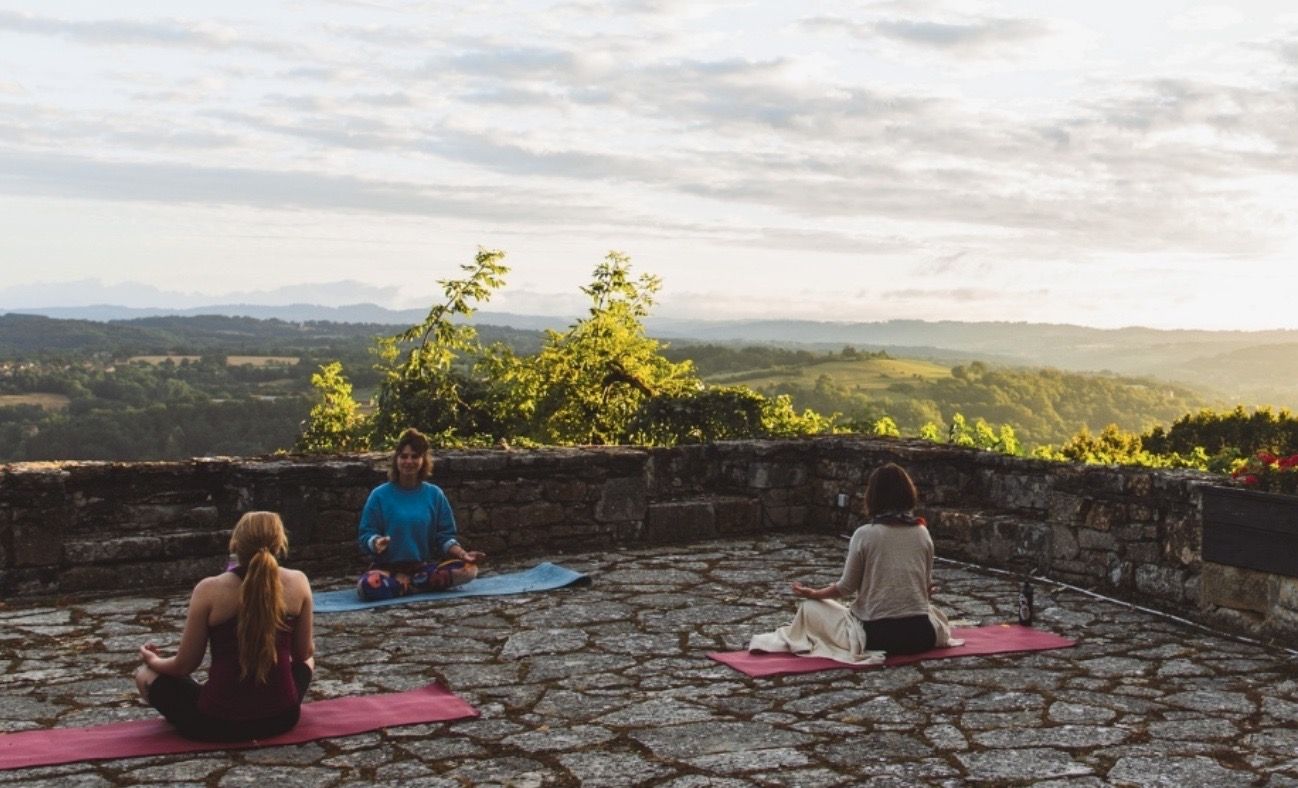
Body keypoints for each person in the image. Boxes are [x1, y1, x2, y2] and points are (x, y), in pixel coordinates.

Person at [749, 462, 958, 663]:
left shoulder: (865, 535)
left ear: (873, 497)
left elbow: (846, 588)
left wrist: (814, 594)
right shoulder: (922, 533)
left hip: (877, 637)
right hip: (921, 635)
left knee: (810, 608)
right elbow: (925, 587)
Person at [135, 511, 315, 742]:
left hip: (217, 723)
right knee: (309, 660)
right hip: (282, 717)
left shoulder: (209, 589)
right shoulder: (298, 582)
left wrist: (153, 661)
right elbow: (303, 654)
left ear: (236, 544)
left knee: (145, 675)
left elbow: (184, 665)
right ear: (280, 544)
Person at [356, 427, 485, 601]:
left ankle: (406, 585)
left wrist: (463, 554)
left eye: (414, 456)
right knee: (367, 586)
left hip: (422, 567)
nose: (408, 461)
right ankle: (414, 585)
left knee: (470, 570)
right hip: (387, 569)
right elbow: (366, 534)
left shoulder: (435, 495)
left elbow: (444, 537)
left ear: (423, 461)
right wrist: (376, 542)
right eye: (404, 456)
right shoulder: (379, 495)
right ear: (396, 460)